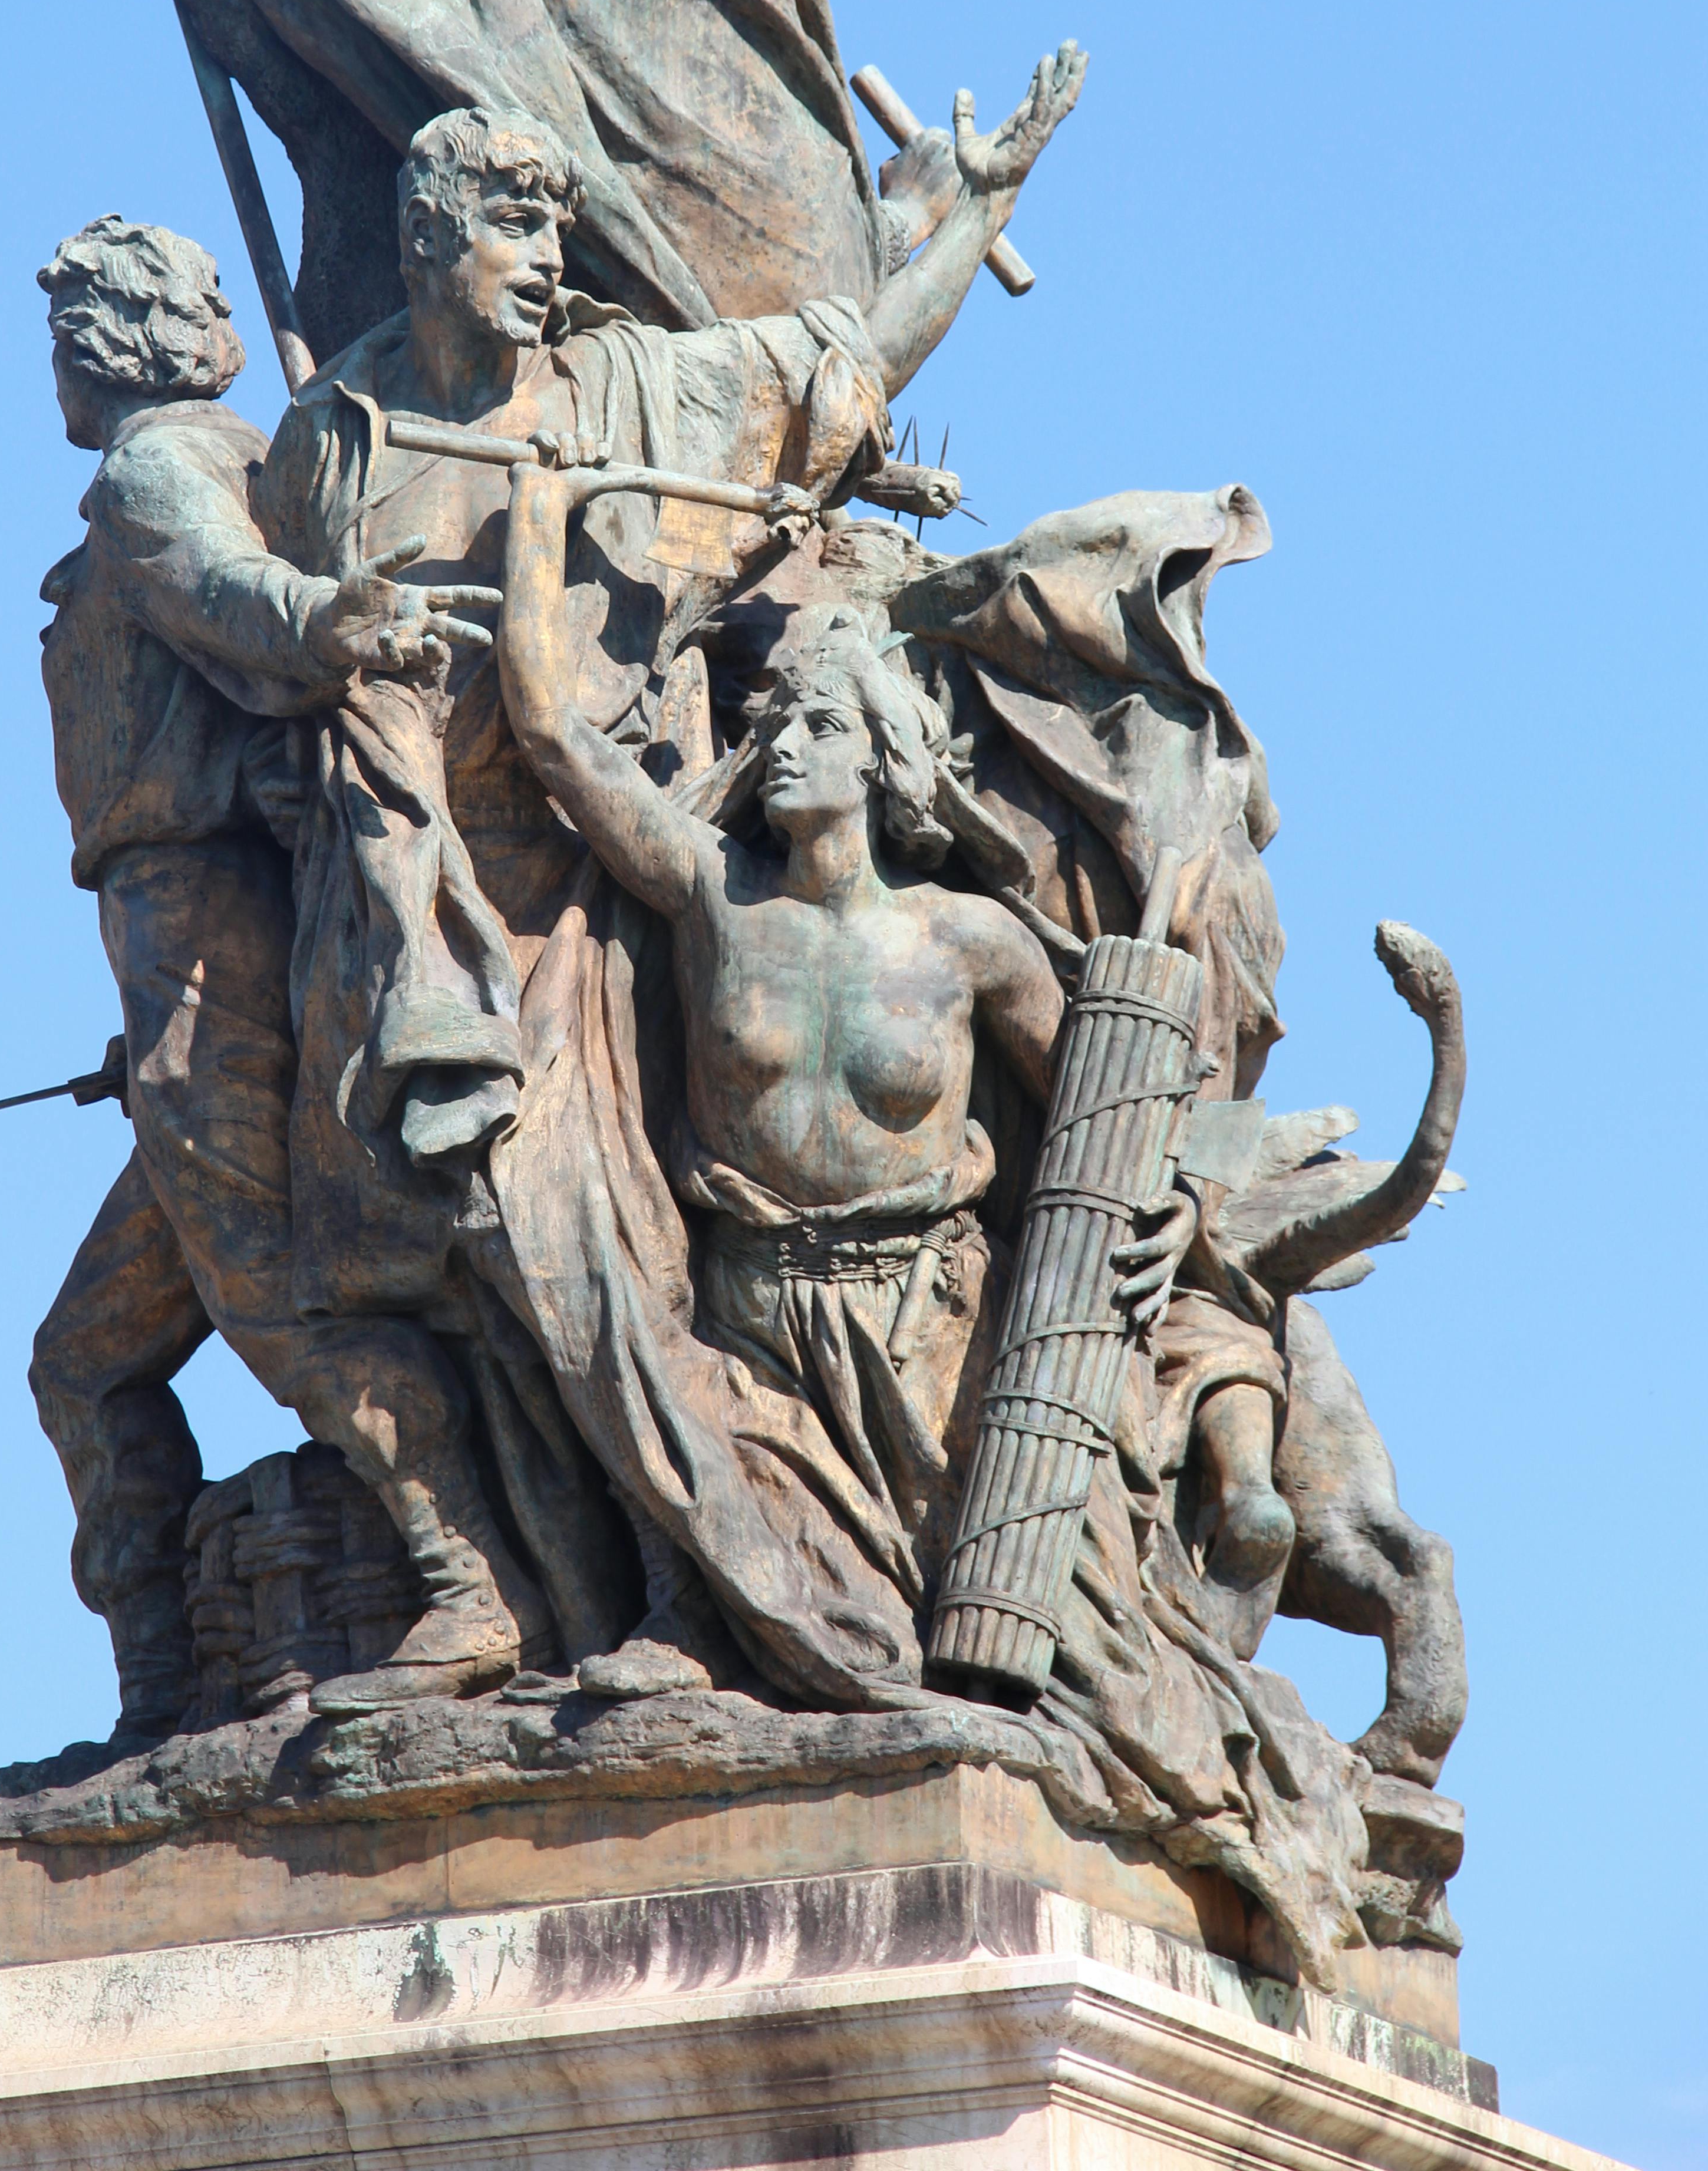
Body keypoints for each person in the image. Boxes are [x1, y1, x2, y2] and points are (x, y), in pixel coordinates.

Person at [246, 72, 1089, 1703]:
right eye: (512, 220)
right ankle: (513, 1596)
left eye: (560, 219)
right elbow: (272, 642)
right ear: (425, 238)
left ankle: (713, 1608)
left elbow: (844, 359)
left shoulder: (639, 393)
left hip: (599, 905)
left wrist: (973, 207)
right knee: (416, 1279)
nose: (546, 252)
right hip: (389, 901)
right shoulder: (335, 435)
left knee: (569, 1259)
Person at [492, 461, 1198, 1692]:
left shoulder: (970, 940)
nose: (784, 750)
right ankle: (696, 1620)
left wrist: (1172, 1205)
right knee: (747, 1574)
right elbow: (552, 735)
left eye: (820, 727)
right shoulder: (715, 892)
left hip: (924, 1321)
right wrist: (536, 513)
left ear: (881, 757)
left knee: (986, 1646)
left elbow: (1105, 1116)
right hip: (747, 1320)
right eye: (775, 727)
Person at [21, 216, 546, 1779]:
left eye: (69, 337)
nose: (58, 367)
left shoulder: (155, 473)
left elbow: (232, 595)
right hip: (183, 954)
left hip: (190, 928)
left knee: (267, 1291)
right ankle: (161, 1696)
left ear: (113, 347)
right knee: (86, 1357)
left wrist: (328, 618)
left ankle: (469, 1578)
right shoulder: (245, 453)